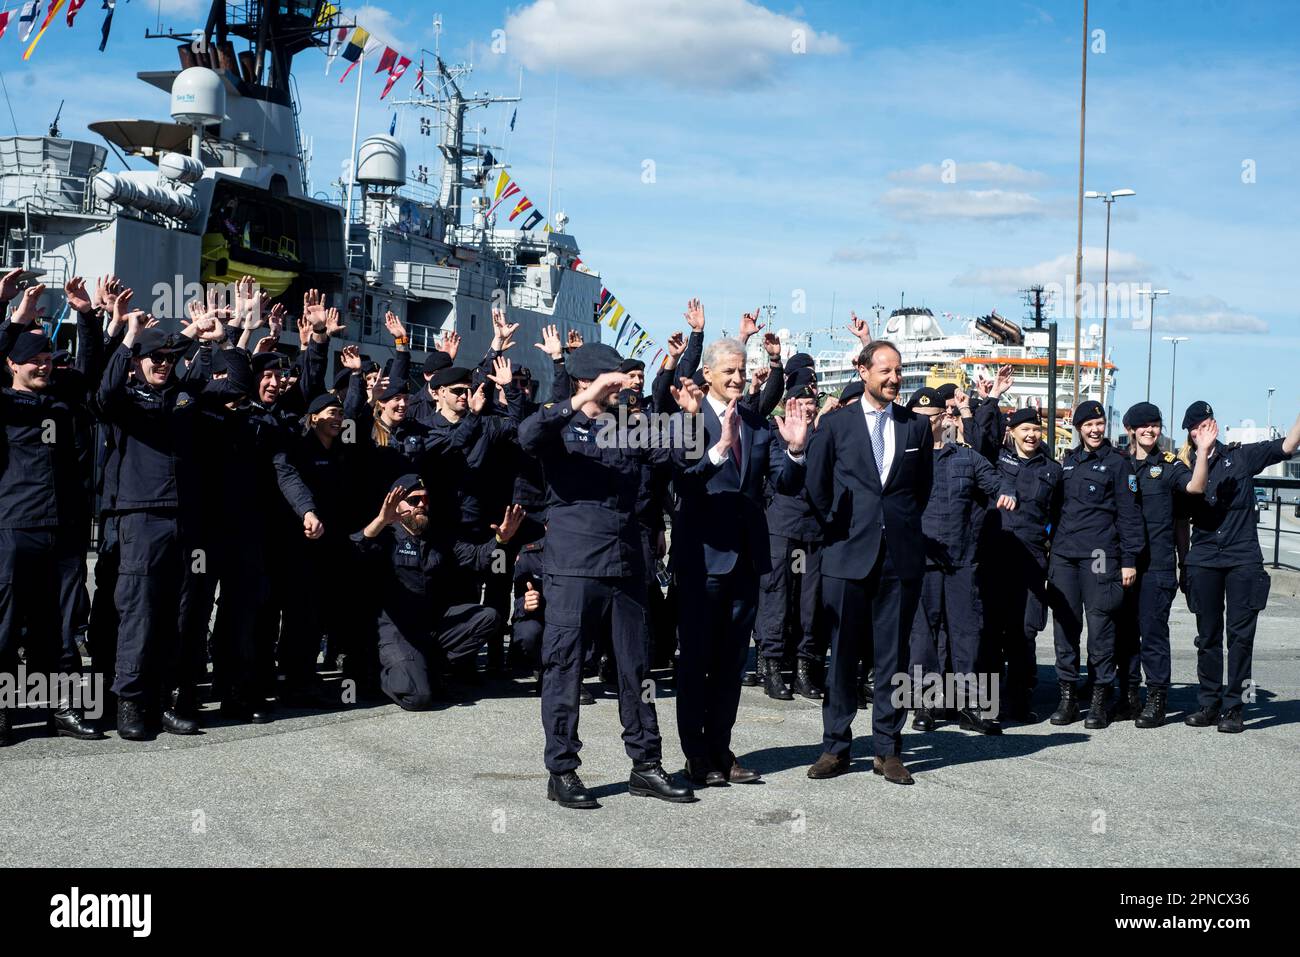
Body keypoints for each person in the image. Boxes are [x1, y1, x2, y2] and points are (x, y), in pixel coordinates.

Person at [518, 342, 694, 808]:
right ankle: (562, 770)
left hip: (626, 563)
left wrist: (697, 421)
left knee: (636, 669)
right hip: (575, 566)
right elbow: (527, 435)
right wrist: (581, 399)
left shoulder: (630, 428)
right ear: (587, 381)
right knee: (565, 667)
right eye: (614, 379)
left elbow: (680, 461)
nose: (624, 386)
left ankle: (645, 764)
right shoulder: (559, 425)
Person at [671, 337, 808, 788]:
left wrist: (795, 450)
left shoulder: (756, 421)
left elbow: (785, 484)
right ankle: (696, 756)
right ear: (707, 373)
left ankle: (721, 748)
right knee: (695, 662)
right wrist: (717, 449)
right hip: (701, 559)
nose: (737, 378)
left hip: (747, 561)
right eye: (728, 370)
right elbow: (683, 486)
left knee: (730, 665)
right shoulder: (688, 419)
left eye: (742, 370)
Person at [804, 340, 932, 786]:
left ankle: (887, 750)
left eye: (899, 371)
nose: (895, 378)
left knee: (893, 657)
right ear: (862, 371)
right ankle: (835, 746)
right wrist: (840, 531)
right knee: (841, 656)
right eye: (886, 371)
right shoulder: (835, 425)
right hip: (846, 555)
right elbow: (816, 488)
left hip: (899, 558)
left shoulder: (916, 428)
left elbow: (920, 491)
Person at [0, 281, 105, 743]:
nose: (43, 365)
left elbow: (93, 370)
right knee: (4, 624)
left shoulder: (62, 400)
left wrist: (86, 317)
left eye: (47, 359)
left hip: (62, 531)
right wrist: (11, 315)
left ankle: (59, 709)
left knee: (61, 627)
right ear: (11, 364)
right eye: (33, 360)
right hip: (13, 527)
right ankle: (2, 711)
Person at [1180, 400, 1299, 733]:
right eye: (1196, 427)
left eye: (1207, 424)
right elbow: (1195, 491)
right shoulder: (1184, 465)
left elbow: (1288, 446)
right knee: (1208, 637)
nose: (1203, 430)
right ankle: (1209, 704)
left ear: (1215, 424)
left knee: (1241, 637)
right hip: (1204, 559)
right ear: (1190, 433)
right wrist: (1202, 452)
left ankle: (1235, 707)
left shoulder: (1242, 456)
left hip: (1242, 558)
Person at [351, 474, 516, 710]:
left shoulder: (437, 537)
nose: (421, 505)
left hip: (431, 625)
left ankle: (429, 669)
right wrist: (380, 521)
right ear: (396, 505)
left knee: (487, 617)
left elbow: (477, 557)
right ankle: (379, 676)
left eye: (425, 500)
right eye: (414, 500)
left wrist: (501, 539)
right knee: (418, 699)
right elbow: (355, 552)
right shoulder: (385, 536)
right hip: (397, 631)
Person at [906, 387, 1015, 735]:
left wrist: (1006, 494)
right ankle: (924, 704)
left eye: (933, 418)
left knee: (967, 633)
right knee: (923, 636)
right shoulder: (905, 459)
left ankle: (970, 706)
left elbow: (997, 481)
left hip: (961, 560)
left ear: (944, 419)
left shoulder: (966, 458)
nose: (927, 425)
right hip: (920, 560)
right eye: (919, 420)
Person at [1046, 400, 1145, 730]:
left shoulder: (1118, 464)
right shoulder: (1068, 462)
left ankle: (1100, 699)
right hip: (1064, 555)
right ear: (1078, 428)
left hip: (1100, 555)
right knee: (1065, 626)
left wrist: (1128, 561)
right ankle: (1068, 698)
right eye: (1088, 424)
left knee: (1101, 627)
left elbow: (1129, 516)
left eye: (1100, 423)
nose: (1095, 429)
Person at [1115, 402, 1211, 727]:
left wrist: (1202, 452)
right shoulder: (1119, 464)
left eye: (1155, 425)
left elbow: (1192, 493)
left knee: (1153, 633)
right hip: (1122, 565)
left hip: (1157, 566)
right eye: (1143, 425)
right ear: (1130, 429)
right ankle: (1128, 696)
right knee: (1123, 633)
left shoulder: (1169, 466)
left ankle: (1156, 698)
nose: (1149, 430)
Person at [990, 407, 1063, 722]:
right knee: (992, 632)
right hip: (996, 555)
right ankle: (989, 702)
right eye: (1025, 429)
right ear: (1012, 431)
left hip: (1032, 557)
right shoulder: (995, 461)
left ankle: (1019, 699)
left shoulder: (1053, 470)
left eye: (1036, 429)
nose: (1032, 435)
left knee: (1024, 631)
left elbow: (1059, 518)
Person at [753, 380, 824, 700]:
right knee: (776, 600)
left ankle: (802, 672)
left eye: (812, 402)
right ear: (789, 403)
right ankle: (769, 668)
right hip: (781, 528)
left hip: (815, 532)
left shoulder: (825, 435)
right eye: (802, 401)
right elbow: (778, 478)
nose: (808, 407)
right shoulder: (774, 433)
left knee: (809, 606)